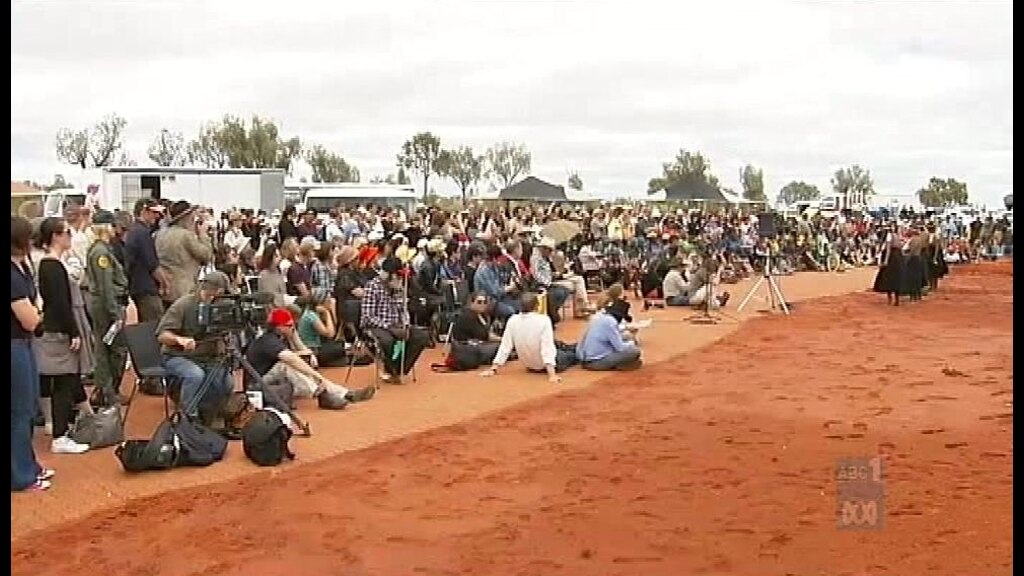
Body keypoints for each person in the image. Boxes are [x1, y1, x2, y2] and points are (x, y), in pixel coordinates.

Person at [34, 217, 94, 454]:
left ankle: (67, 425)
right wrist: (72, 332)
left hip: (53, 328)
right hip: (58, 330)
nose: (70, 236)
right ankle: (60, 434)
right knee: (64, 380)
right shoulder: (53, 266)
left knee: (64, 379)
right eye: (66, 233)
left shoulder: (51, 264)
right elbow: (60, 303)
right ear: (56, 236)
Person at [245, 308, 375, 410]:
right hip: (257, 383)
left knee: (298, 363)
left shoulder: (281, 335)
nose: (293, 327)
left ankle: (341, 393)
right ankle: (323, 394)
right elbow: (290, 359)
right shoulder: (268, 340)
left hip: (272, 378)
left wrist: (303, 347)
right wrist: (316, 375)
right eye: (290, 325)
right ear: (279, 327)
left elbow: (303, 350)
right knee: (287, 365)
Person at [156, 271, 236, 421]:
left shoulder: (221, 307)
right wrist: (180, 340)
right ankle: (188, 417)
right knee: (195, 375)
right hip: (178, 356)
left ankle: (210, 413)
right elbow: (162, 335)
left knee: (226, 382)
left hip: (207, 357)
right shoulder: (184, 304)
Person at [12, 216, 54, 492]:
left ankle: (28, 466)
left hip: (22, 343)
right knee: (21, 411)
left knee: (24, 409)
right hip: (15, 345)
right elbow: (30, 319)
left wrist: (37, 310)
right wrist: (38, 312)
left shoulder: (22, 266)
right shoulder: (12, 274)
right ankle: (21, 475)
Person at [360, 257, 431, 382]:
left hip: (396, 325)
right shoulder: (372, 287)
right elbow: (368, 316)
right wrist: (389, 327)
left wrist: (405, 324)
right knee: (387, 340)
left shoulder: (398, 288)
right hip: (377, 326)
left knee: (422, 336)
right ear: (388, 275)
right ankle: (390, 368)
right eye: (396, 276)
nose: (399, 279)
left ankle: (399, 369)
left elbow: (403, 310)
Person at [480, 292, 575, 383]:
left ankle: (569, 347)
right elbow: (547, 348)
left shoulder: (513, 320)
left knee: (559, 344)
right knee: (573, 354)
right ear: (537, 305)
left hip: (529, 364)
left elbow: (505, 346)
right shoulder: (544, 320)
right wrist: (552, 374)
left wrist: (493, 368)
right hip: (546, 364)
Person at [86, 210, 129, 407]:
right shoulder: (101, 252)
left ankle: (106, 390)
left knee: (109, 349)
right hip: (107, 305)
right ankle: (107, 392)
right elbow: (105, 286)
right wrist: (115, 313)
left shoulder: (102, 249)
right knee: (111, 349)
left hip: (106, 303)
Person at [155, 201, 213, 307]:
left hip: (165, 288)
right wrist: (203, 235)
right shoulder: (186, 236)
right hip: (184, 289)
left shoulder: (160, 234)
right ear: (186, 217)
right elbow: (206, 255)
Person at [124, 198, 168, 323]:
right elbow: (152, 264)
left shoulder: (134, 231)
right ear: (144, 211)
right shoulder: (141, 233)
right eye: (154, 212)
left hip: (137, 288)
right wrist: (165, 283)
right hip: (146, 289)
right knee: (155, 324)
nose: (157, 216)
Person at [576, 301, 643, 371]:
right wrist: (631, 343)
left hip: (584, 357)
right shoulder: (611, 322)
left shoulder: (599, 317)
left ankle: (620, 364)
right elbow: (620, 347)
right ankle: (620, 364)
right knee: (635, 351)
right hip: (595, 361)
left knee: (625, 337)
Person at [295, 293, 348, 367]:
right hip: (313, 349)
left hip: (317, 346)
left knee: (340, 346)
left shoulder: (311, 312)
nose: (331, 302)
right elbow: (330, 334)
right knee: (341, 349)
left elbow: (335, 325)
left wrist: (331, 311)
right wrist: (327, 313)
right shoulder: (311, 316)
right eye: (328, 301)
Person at [530, 237, 571, 324]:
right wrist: (546, 283)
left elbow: (549, 271)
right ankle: (551, 314)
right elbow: (535, 274)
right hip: (540, 284)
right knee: (557, 293)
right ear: (544, 249)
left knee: (565, 291)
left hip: (549, 282)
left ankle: (553, 311)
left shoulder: (547, 258)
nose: (550, 253)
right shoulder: (535, 258)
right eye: (549, 250)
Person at [872, 223, 905, 306]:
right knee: (897, 278)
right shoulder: (897, 236)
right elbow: (900, 248)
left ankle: (890, 300)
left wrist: (886, 260)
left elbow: (888, 249)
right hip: (898, 258)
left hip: (891, 258)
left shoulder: (889, 236)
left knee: (888, 279)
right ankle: (896, 300)